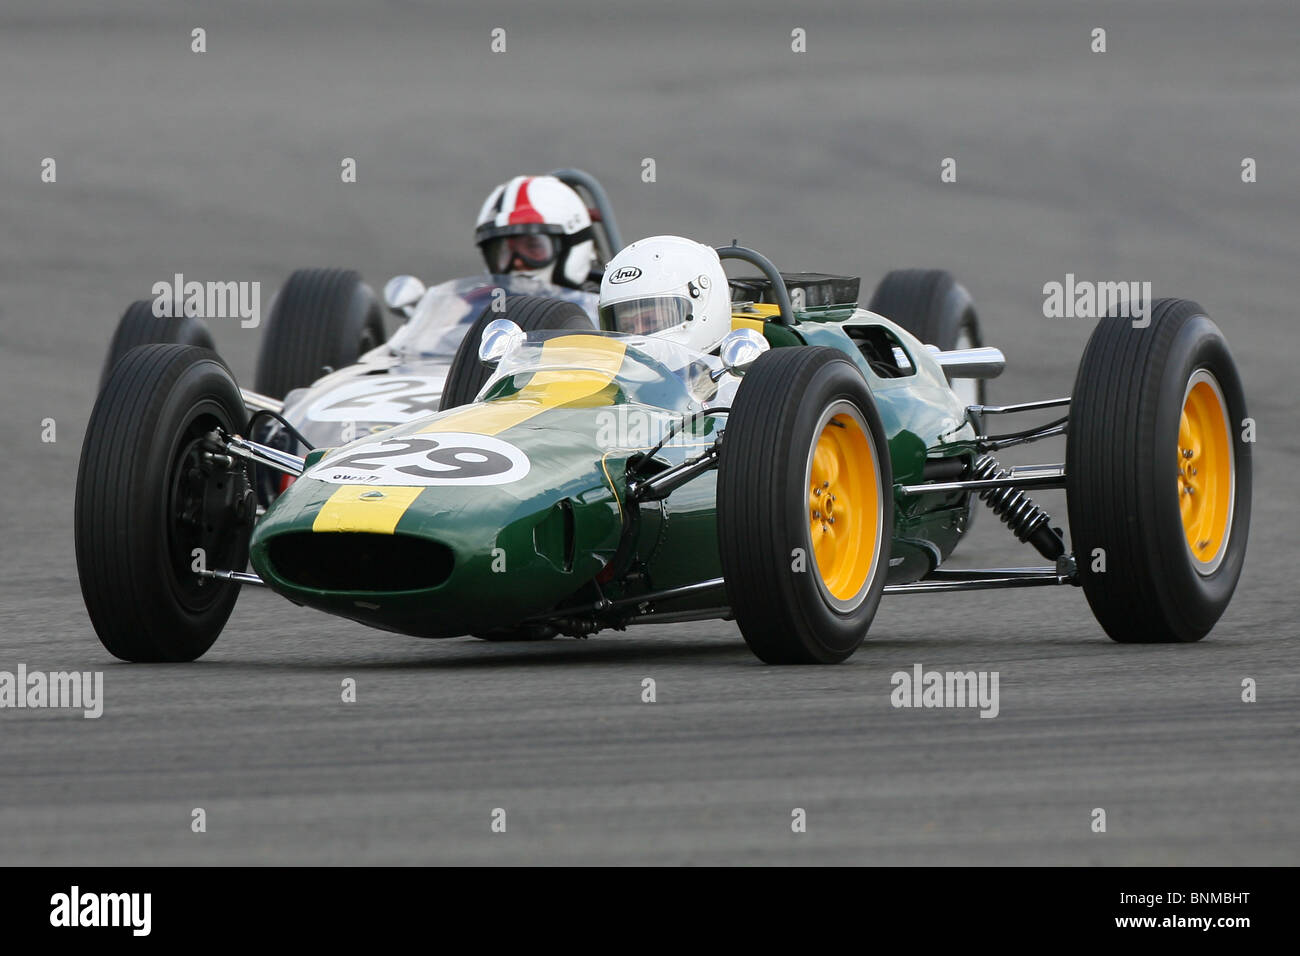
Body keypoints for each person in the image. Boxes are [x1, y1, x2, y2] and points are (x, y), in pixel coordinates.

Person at [474, 175, 598, 290]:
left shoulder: (605, 309)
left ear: (570, 246)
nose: (517, 262)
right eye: (501, 251)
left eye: (533, 247)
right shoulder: (476, 306)